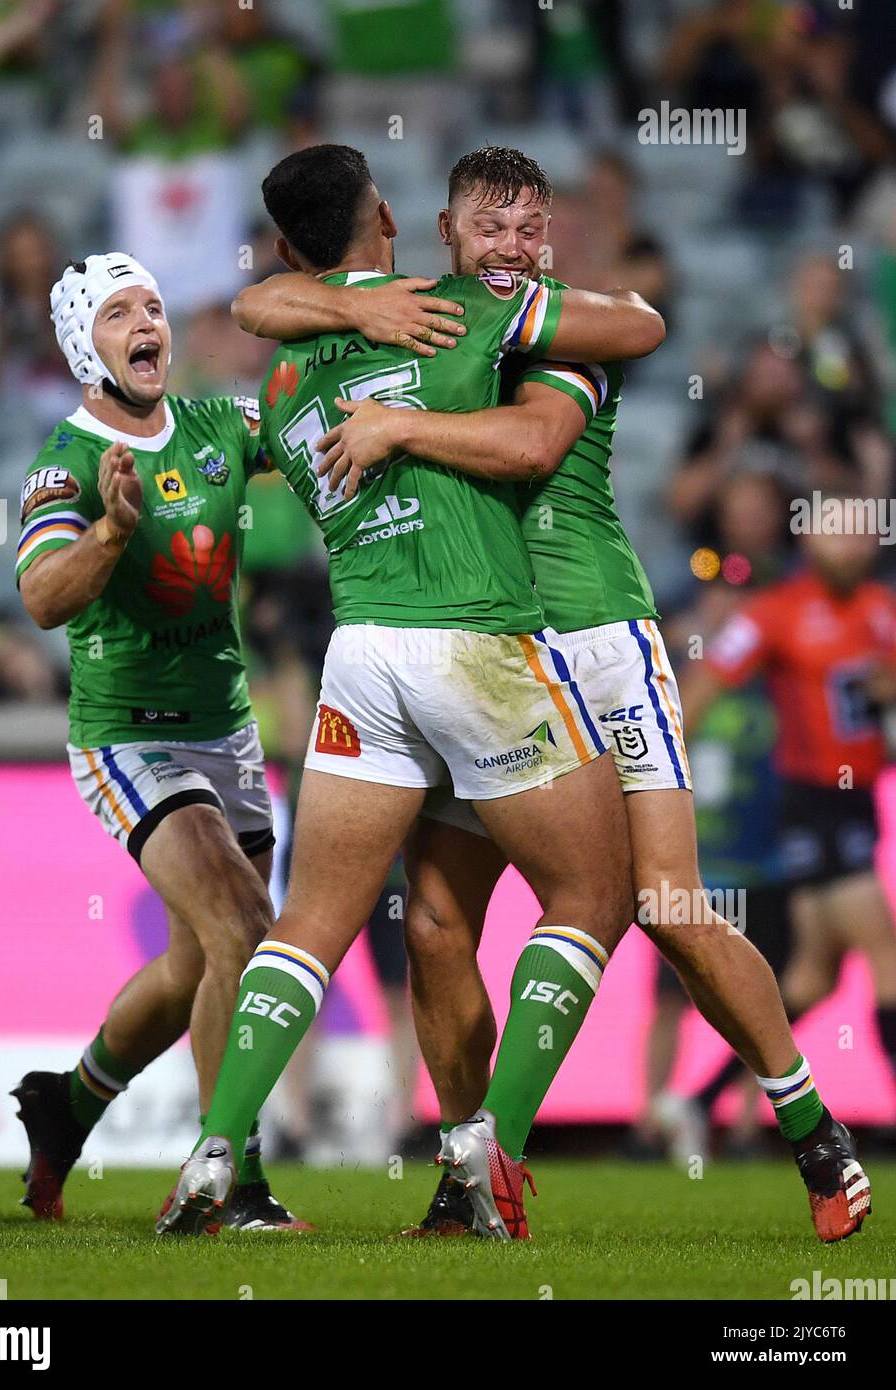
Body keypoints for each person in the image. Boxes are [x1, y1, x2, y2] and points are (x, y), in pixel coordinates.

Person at [281, 146, 872, 1243]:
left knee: (671, 907)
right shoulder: (421, 325)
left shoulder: (557, 329)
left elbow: (539, 438)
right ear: (445, 235)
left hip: (596, 639)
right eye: (488, 229)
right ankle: (469, 1174)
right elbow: (266, 300)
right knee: (444, 924)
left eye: (526, 229)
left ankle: (812, 1129)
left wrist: (401, 419)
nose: (509, 248)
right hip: (478, 653)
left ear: (544, 237)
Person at [156, 141, 665, 1237]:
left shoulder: (286, 382)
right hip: (473, 642)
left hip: (361, 654)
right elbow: (636, 326)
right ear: (391, 214)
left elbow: (260, 312)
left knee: (315, 922)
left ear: (292, 250)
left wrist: (324, 310)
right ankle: (492, 1145)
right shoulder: (457, 309)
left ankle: (214, 1152)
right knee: (593, 894)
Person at [12, 251, 307, 1232]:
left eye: (152, 307)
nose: (146, 325)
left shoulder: (222, 425)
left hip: (226, 731)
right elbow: (41, 597)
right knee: (241, 929)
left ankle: (72, 1103)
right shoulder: (64, 464)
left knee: (197, 968)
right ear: (80, 346)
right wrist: (107, 532)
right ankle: (234, 1183)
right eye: (116, 314)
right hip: (129, 737)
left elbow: (314, 427)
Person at [678, 512, 896, 1145]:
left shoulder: (882, 610)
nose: (850, 542)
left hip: (860, 804)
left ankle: (700, 1102)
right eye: (835, 529)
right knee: (883, 948)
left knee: (813, 976)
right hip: (812, 805)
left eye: (861, 530)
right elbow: (706, 683)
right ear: (806, 536)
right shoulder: (775, 612)